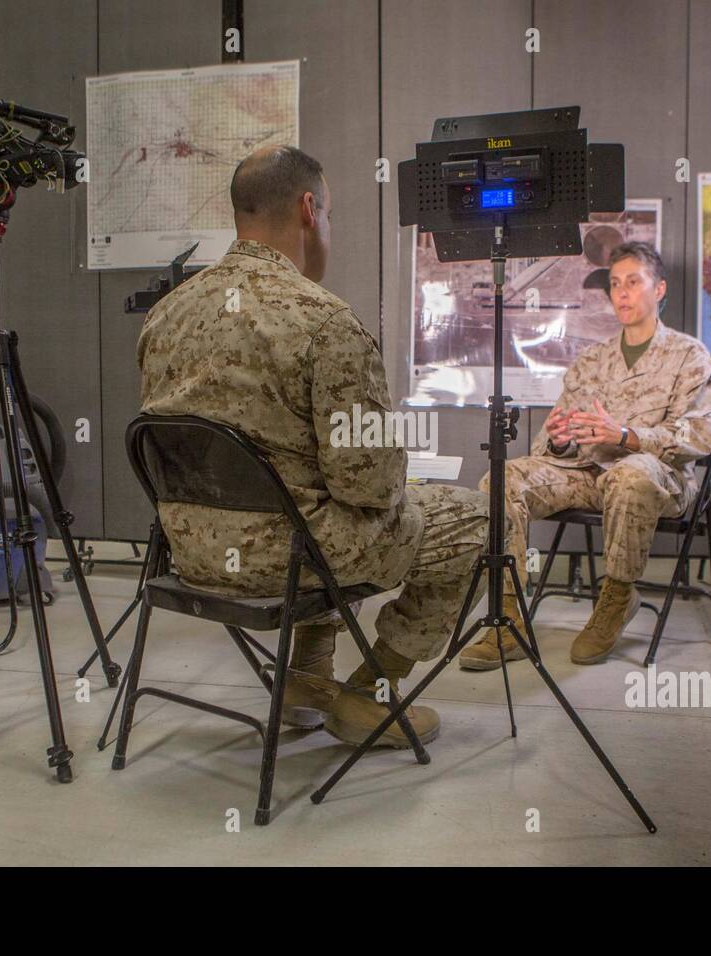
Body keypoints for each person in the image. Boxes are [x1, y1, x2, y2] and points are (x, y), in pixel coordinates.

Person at [138, 145, 489, 746]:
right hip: (290, 561)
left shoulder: (166, 315)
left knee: (308, 493)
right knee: (482, 520)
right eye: (329, 215)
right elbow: (370, 485)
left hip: (190, 557)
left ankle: (304, 678)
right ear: (309, 209)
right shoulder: (325, 322)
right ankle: (368, 692)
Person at [460, 241, 711, 670]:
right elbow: (554, 441)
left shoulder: (688, 356)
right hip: (587, 473)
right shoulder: (593, 359)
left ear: (659, 291)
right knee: (502, 479)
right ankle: (509, 616)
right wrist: (560, 439)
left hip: (658, 479)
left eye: (633, 282)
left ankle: (616, 599)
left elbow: (699, 436)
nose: (621, 293)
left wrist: (628, 436)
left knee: (630, 473)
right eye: (615, 284)